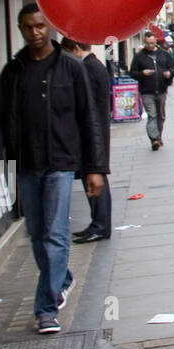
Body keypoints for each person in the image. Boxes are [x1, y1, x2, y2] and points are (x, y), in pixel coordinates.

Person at [0, 5, 106, 334]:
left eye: (39, 26)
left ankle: (46, 309)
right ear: (20, 29)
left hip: (61, 164)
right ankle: (61, 277)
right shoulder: (14, 71)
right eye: (27, 27)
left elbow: (89, 119)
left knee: (54, 234)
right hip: (27, 165)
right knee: (37, 235)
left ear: (48, 26)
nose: (34, 33)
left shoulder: (71, 68)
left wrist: (95, 168)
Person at [62, 38, 113, 242]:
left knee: (94, 179)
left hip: (92, 135)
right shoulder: (94, 65)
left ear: (75, 49)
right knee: (92, 178)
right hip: (96, 132)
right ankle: (97, 223)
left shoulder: (88, 68)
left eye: (67, 53)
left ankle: (100, 226)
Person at [130, 32, 174, 150]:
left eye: (153, 43)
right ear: (144, 43)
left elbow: (172, 68)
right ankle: (154, 139)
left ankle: (158, 137)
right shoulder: (139, 56)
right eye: (148, 43)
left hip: (161, 90)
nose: (151, 45)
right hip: (146, 91)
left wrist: (169, 73)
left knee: (161, 116)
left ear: (156, 42)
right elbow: (132, 72)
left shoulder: (164, 54)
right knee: (152, 115)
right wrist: (142, 73)